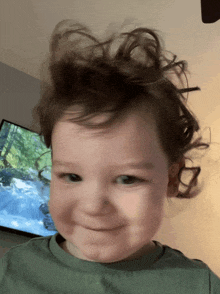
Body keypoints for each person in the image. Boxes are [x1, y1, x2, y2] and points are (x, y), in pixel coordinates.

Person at [1, 19, 220, 293]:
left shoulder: (199, 286)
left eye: (127, 179)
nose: (93, 206)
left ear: (171, 179)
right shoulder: (12, 271)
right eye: (72, 176)